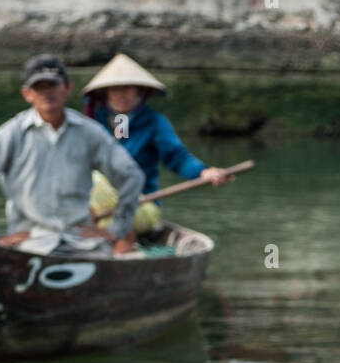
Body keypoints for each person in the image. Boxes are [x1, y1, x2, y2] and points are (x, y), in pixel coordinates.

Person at [0, 53, 143, 258]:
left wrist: (116, 230)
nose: (47, 93)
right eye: (39, 87)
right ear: (27, 93)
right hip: (29, 245)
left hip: (83, 244)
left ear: (67, 87)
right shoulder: (10, 135)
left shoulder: (90, 133)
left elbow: (131, 176)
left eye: (52, 85)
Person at [82, 53, 232, 235]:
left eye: (127, 88)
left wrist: (204, 171)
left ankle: (120, 241)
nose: (121, 95)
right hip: (96, 208)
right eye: (115, 89)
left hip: (141, 204)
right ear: (106, 92)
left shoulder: (153, 122)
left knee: (97, 181)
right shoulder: (93, 122)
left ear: (139, 91)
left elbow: (177, 157)